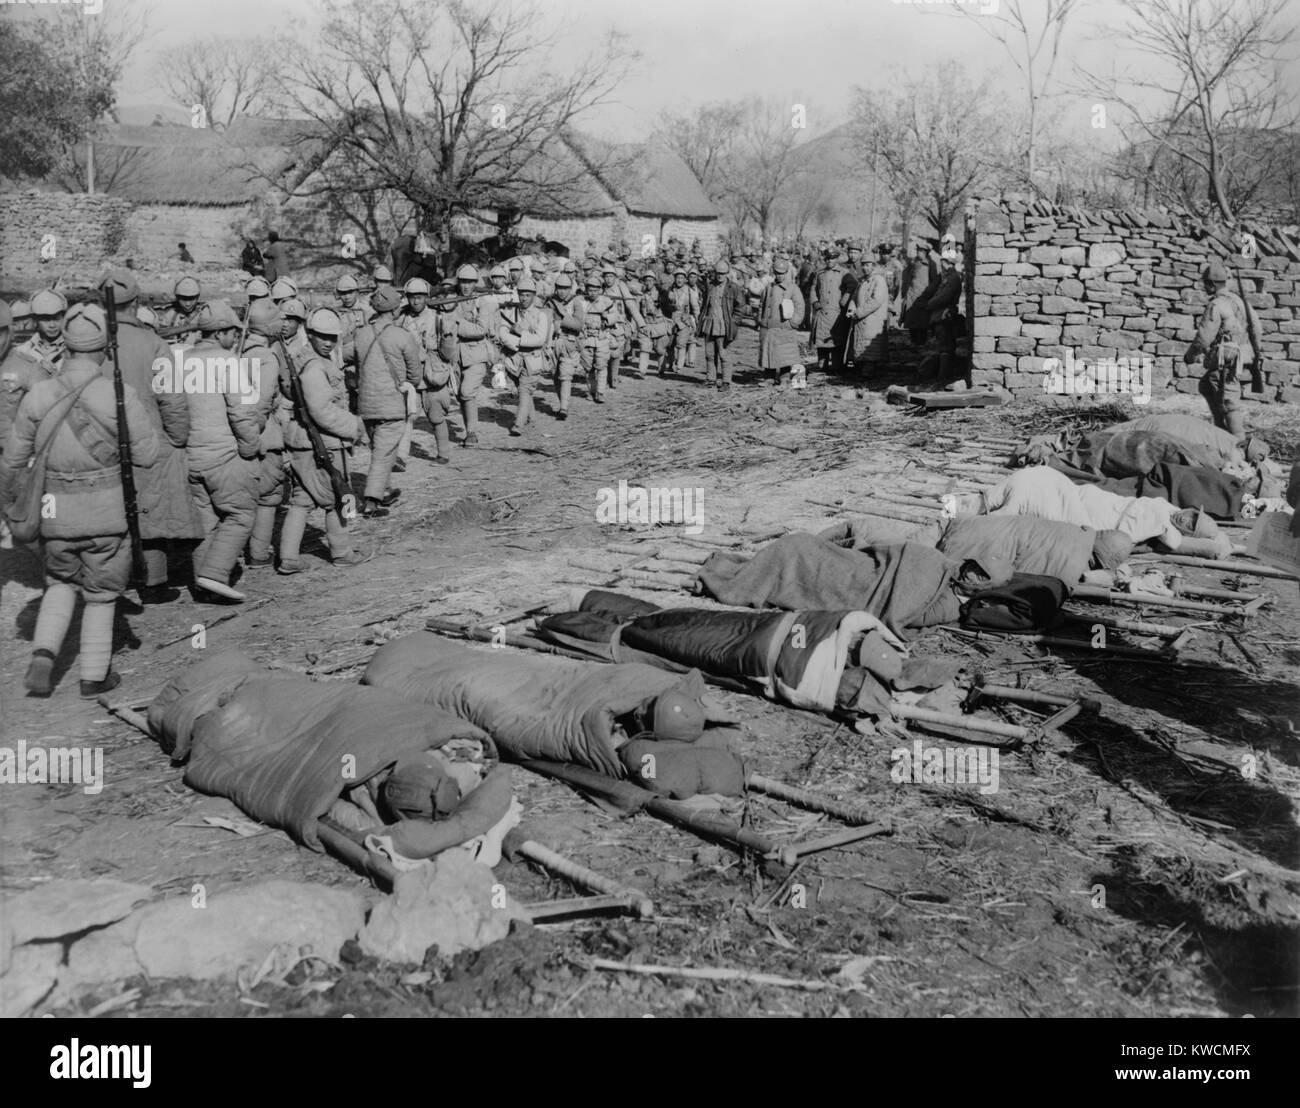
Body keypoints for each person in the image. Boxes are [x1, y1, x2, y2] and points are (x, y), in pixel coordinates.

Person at [1, 304, 161, 697]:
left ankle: (43, 655)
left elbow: (13, 460)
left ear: (67, 347)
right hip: (108, 515)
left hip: (56, 512)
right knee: (102, 594)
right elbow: (147, 455)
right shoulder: (118, 394)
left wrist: (11, 504)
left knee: (58, 581)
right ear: (104, 348)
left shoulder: (39, 393)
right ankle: (93, 675)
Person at [98, 270, 200, 603]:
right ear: (137, 302)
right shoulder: (153, 343)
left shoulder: (89, 345)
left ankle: (110, 577)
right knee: (151, 508)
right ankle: (154, 582)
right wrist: (178, 436)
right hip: (149, 440)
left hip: (100, 442)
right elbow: (172, 400)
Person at [180, 300, 261, 602]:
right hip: (223, 455)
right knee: (241, 514)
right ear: (221, 332)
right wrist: (250, 447)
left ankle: (202, 582)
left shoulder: (181, 361)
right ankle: (215, 574)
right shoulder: (228, 361)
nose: (233, 338)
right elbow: (241, 412)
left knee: (205, 520)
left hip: (191, 456)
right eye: (231, 332)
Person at [279, 308, 368, 573]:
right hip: (324, 442)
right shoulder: (315, 366)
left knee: (302, 500)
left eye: (333, 337)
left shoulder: (306, 359)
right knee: (339, 498)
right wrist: (355, 427)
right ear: (310, 334)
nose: (328, 342)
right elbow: (321, 411)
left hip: (303, 442)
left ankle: (288, 558)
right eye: (322, 336)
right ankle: (342, 553)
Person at [350, 285, 421, 517]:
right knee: (382, 454)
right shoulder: (402, 336)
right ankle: (371, 503)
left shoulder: (360, 334)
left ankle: (386, 489)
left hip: (366, 405)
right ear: (394, 310)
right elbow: (415, 375)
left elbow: (344, 355)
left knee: (380, 449)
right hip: (392, 405)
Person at [1185, 259, 1258, 438]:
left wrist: (1191, 355)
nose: (1204, 288)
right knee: (1207, 385)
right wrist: (1254, 352)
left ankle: (1239, 442)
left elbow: (1204, 337)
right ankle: (1220, 430)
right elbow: (1257, 328)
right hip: (1241, 353)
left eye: (1206, 284)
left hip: (1227, 356)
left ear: (1211, 284)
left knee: (1228, 397)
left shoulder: (1216, 304)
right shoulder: (1240, 301)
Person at [241, 301, 289, 568]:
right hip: (262, 430)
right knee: (269, 494)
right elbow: (263, 400)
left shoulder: (237, 352)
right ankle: (258, 552)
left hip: (238, 429)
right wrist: (256, 428)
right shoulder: (266, 358)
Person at [1, 290, 68, 448]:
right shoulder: (23, 351)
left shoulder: (73, 350)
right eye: (45, 319)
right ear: (36, 319)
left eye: (56, 318)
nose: (52, 324)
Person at [496, 273, 552, 436]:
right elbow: (502, 330)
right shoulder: (511, 312)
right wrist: (512, 342)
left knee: (524, 390)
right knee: (522, 388)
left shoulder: (540, 315)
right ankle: (531, 418)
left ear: (534, 296)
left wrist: (520, 336)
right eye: (522, 294)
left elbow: (539, 339)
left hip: (532, 359)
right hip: (513, 358)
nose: (524, 298)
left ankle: (518, 424)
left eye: (528, 295)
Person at [447, 265, 493, 446]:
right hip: (456, 356)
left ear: (475, 283)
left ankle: (472, 432)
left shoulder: (483, 302)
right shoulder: (452, 300)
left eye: (469, 282)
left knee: (467, 392)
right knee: (461, 395)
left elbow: (480, 330)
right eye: (463, 282)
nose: (466, 286)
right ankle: (469, 431)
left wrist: (457, 322)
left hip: (476, 355)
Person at [695, 260, 744, 391]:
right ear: (715, 273)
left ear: (727, 273)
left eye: (723, 273)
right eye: (718, 273)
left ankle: (726, 381)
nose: (720, 276)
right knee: (709, 354)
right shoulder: (710, 286)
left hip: (724, 325)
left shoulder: (733, 288)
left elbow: (740, 307)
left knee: (724, 355)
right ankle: (711, 378)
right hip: (710, 324)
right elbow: (705, 303)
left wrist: (734, 321)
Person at [757, 258, 806, 387]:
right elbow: (762, 304)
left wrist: (793, 323)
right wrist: (761, 320)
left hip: (785, 327)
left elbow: (800, 307)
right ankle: (769, 378)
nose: (779, 275)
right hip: (768, 326)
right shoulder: (769, 287)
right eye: (777, 273)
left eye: (782, 273)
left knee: (785, 354)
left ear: (786, 273)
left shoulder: (793, 288)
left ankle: (785, 378)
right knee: (768, 352)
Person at [845, 258, 890, 374]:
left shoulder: (879, 280)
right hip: (861, 319)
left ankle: (869, 370)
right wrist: (851, 309)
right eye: (863, 265)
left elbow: (876, 301)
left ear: (873, 266)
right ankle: (862, 368)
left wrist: (859, 312)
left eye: (868, 265)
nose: (865, 268)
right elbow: (854, 298)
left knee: (870, 348)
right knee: (860, 345)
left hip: (872, 320)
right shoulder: (862, 281)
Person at [810, 246, 844, 372]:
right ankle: (822, 361)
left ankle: (836, 364)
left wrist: (844, 302)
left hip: (837, 312)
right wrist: (814, 301)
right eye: (827, 259)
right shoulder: (820, 273)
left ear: (837, 259)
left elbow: (851, 288)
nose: (830, 261)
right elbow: (813, 288)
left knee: (836, 340)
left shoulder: (844, 273)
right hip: (822, 312)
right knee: (821, 339)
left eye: (832, 259)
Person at [665, 267, 700, 374]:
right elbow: (666, 306)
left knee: (681, 344)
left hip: (684, 320)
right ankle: (670, 364)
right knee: (669, 344)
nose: (679, 280)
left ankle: (679, 366)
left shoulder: (690, 291)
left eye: (681, 278)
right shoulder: (671, 290)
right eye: (677, 278)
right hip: (672, 320)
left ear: (685, 279)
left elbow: (695, 307)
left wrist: (695, 321)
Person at [159, 277, 204, 344]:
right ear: (177, 297)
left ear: (198, 297)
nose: (188, 304)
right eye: (184, 299)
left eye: (191, 299)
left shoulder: (204, 314)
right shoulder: (170, 315)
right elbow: (160, 333)